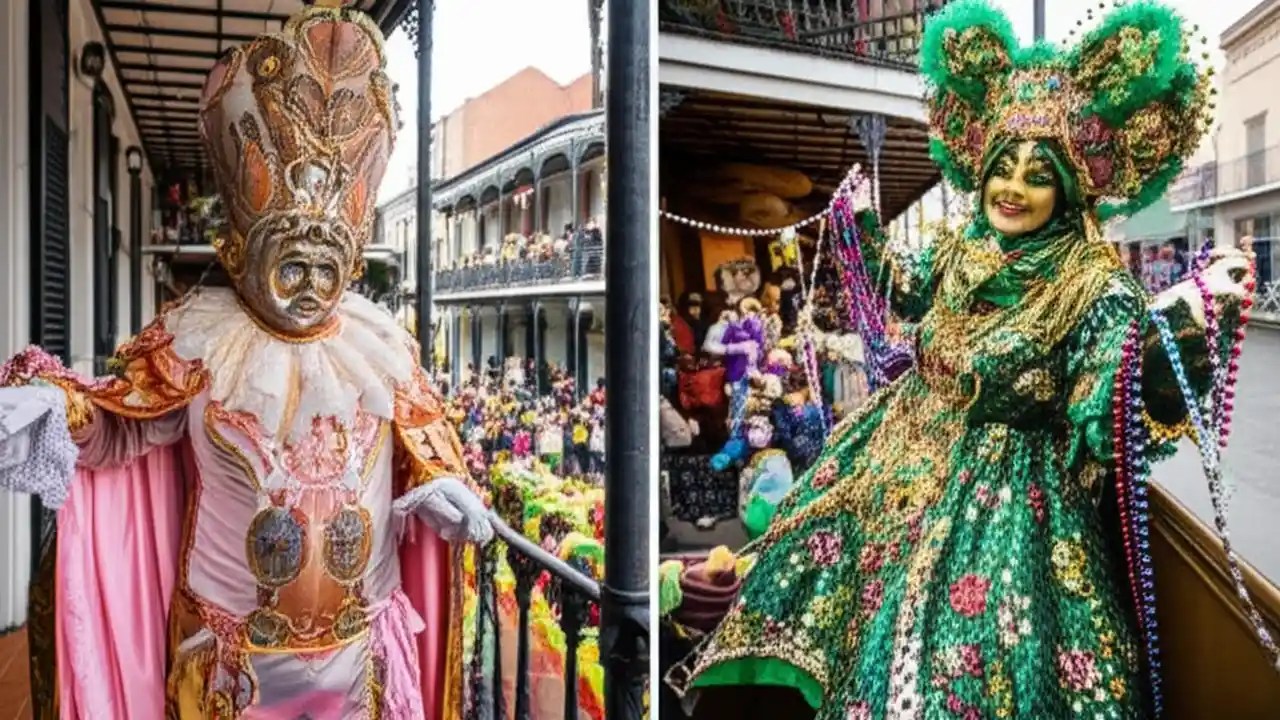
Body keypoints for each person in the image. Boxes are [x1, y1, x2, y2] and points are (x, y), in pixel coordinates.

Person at [671, 1, 1252, 717]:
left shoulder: (1095, 285)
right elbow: (908, 292)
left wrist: (1180, 335)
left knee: (947, 655)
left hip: (1002, 497)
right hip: (894, 449)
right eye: (1002, 167)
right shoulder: (963, 249)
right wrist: (861, 232)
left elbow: (1109, 400)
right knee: (801, 560)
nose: (1011, 187)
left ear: (1068, 189)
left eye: (1037, 175)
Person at [0, 4, 490, 718]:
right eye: (292, 267)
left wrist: (447, 485)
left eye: (330, 269)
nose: (312, 290)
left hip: (363, 657)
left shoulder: (381, 354)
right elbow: (123, 428)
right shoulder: (197, 342)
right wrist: (59, 407)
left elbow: (424, 445)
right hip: (227, 659)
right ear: (239, 254)